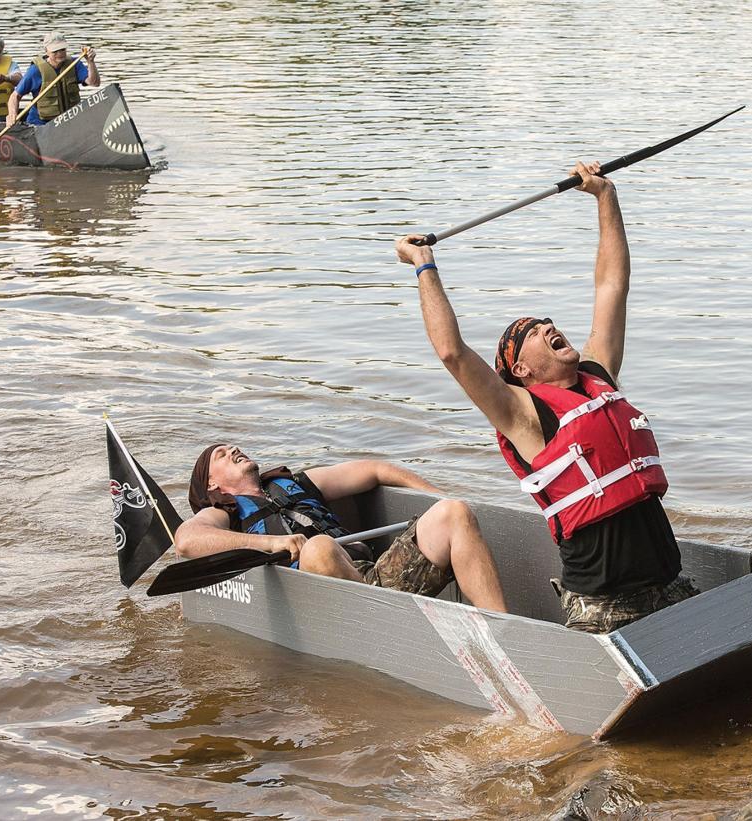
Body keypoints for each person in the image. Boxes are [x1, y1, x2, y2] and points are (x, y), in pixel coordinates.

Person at [395, 161, 698, 633]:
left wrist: (605, 196)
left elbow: (611, 284)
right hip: (606, 604)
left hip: (669, 585)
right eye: (532, 332)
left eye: (547, 322)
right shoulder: (524, 416)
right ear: (521, 369)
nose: (548, 326)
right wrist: (424, 265)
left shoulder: (599, 374)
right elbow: (452, 352)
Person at [175, 443, 508, 612]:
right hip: (326, 601)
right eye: (221, 453)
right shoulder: (225, 513)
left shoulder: (294, 483)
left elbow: (374, 470)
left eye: (232, 446)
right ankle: (394, 625)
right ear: (212, 484)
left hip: (373, 577)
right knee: (318, 547)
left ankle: (503, 631)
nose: (233, 449)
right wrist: (271, 543)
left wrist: (437, 496)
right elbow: (186, 541)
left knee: (454, 512)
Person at [6, 32, 100, 127]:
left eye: (62, 49)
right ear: (47, 51)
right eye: (55, 51)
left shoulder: (74, 64)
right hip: (41, 124)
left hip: (70, 121)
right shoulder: (35, 70)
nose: (60, 53)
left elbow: (94, 82)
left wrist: (90, 62)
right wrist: (12, 115)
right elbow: (15, 96)